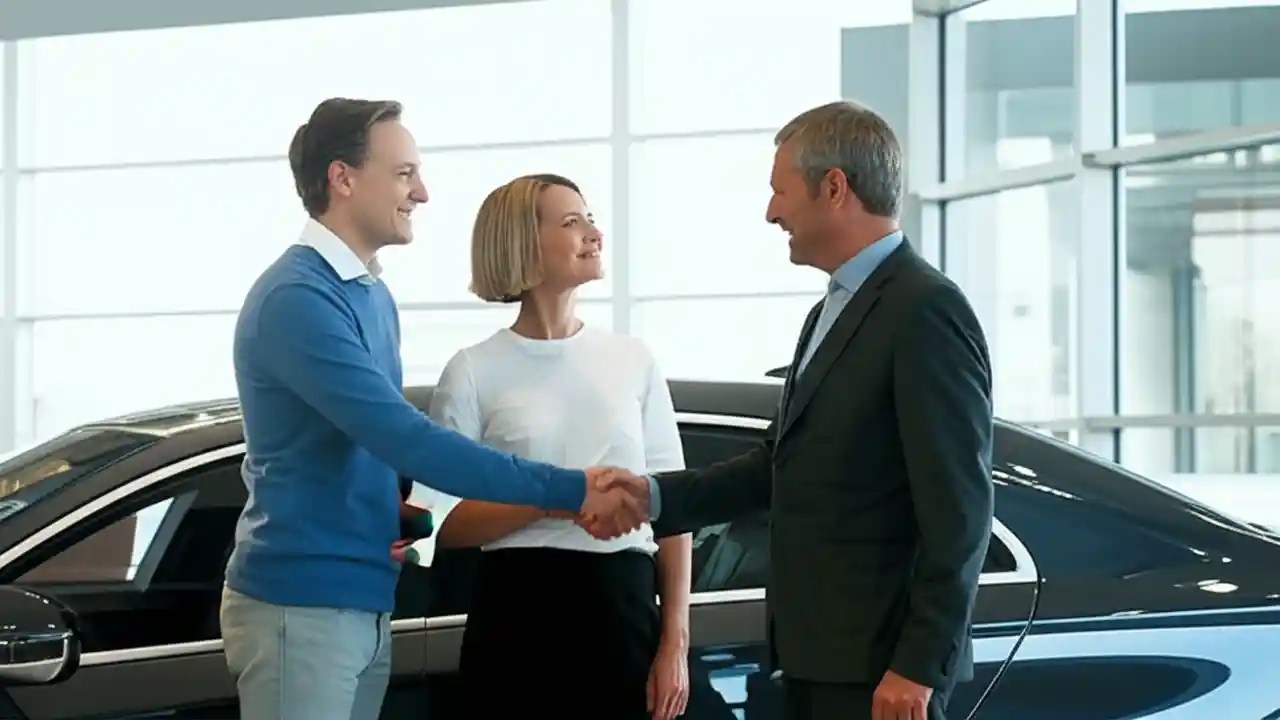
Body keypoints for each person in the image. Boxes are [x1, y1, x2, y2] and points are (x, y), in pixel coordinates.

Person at [220, 99, 648, 720]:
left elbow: (373, 459)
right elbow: (407, 440)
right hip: (304, 600)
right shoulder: (297, 299)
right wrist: (571, 487)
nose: (421, 192)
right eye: (403, 174)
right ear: (343, 178)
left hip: (360, 599)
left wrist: (415, 524)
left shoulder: (369, 294)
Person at [593, 101, 995, 720]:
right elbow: (778, 466)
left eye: (780, 190)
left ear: (834, 187)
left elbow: (959, 509)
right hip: (818, 658)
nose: (771, 211)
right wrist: (653, 497)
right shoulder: (830, 310)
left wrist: (918, 666)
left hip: (882, 672)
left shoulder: (925, 310)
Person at [416, 173, 693, 720]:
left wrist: (674, 644)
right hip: (516, 616)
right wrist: (557, 497)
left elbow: (674, 510)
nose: (594, 233)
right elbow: (431, 525)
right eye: (573, 222)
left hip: (623, 608)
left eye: (590, 218)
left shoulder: (632, 359)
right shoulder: (473, 370)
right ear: (524, 241)